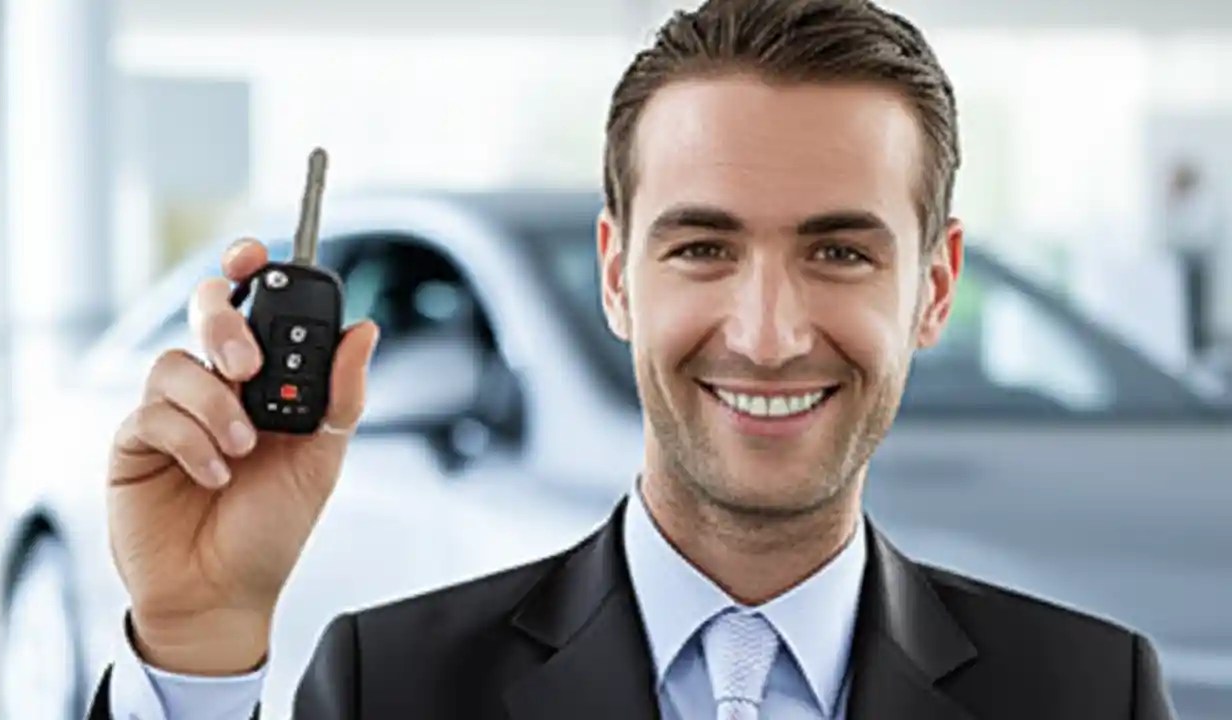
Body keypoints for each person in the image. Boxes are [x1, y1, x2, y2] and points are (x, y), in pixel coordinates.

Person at [89, 0, 1177, 718]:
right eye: (702, 248)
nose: (765, 333)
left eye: (838, 251)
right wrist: (196, 641)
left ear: (933, 288)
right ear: (616, 275)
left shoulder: (1087, 693)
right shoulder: (395, 688)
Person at [1165, 160, 1224, 363]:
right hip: (1183, 261)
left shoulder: (1200, 201)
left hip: (1197, 260)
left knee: (1198, 306)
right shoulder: (1179, 203)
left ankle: (1201, 350)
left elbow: (1198, 234)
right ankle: (1193, 349)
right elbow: (1172, 234)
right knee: (1187, 308)